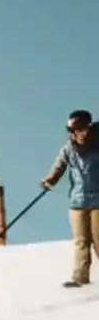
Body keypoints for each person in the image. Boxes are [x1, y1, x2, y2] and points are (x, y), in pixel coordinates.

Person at [40, 109, 99, 287]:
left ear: (88, 128)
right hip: (77, 202)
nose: (77, 135)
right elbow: (59, 166)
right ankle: (79, 278)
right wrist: (50, 180)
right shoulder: (69, 149)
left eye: (80, 130)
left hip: (98, 201)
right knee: (81, 241)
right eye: (73, 131)